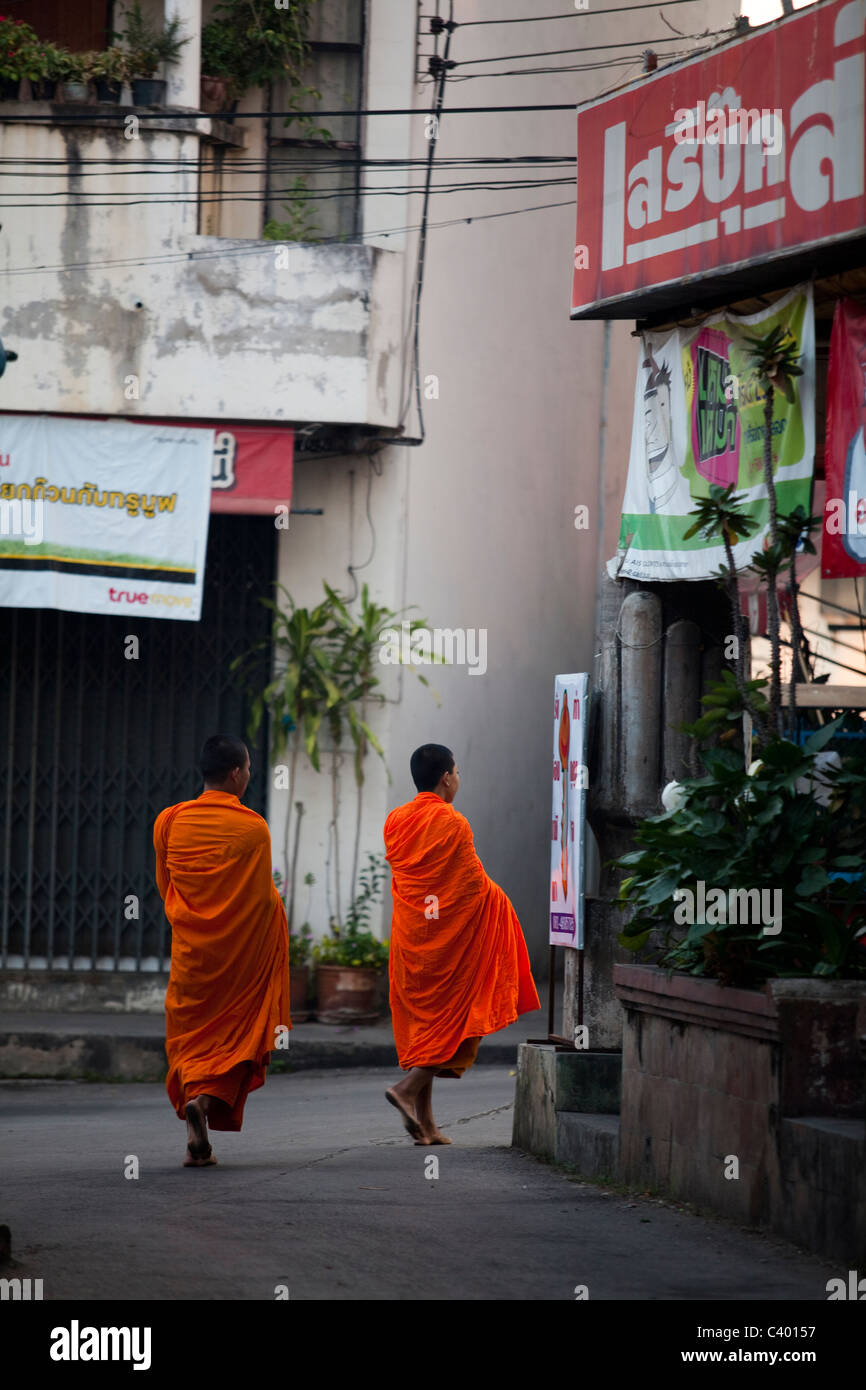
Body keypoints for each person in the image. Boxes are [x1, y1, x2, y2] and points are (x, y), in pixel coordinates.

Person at [384, 744, 539, 1145]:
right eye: (457, 772)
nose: (459, 779)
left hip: (412, 938)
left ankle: (427, 1126)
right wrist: (501, 904)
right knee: (460, 1018)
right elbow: (470, 887)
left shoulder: (395, 821)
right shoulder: (452, 823)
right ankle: (406, 1088)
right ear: (447, 777)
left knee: (426, 1027)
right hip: (450, 946)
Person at [154, 735, 290, 1167]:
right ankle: (205, 1105)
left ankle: (197, 1115)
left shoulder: (169, 821)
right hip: (238, 964)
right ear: (235, 773)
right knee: (238, 1038)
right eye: (248, 769)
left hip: (192, 959)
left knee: (192, 1040)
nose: (249, 776)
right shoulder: (253, 828)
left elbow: (166, 888)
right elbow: (260, 901)